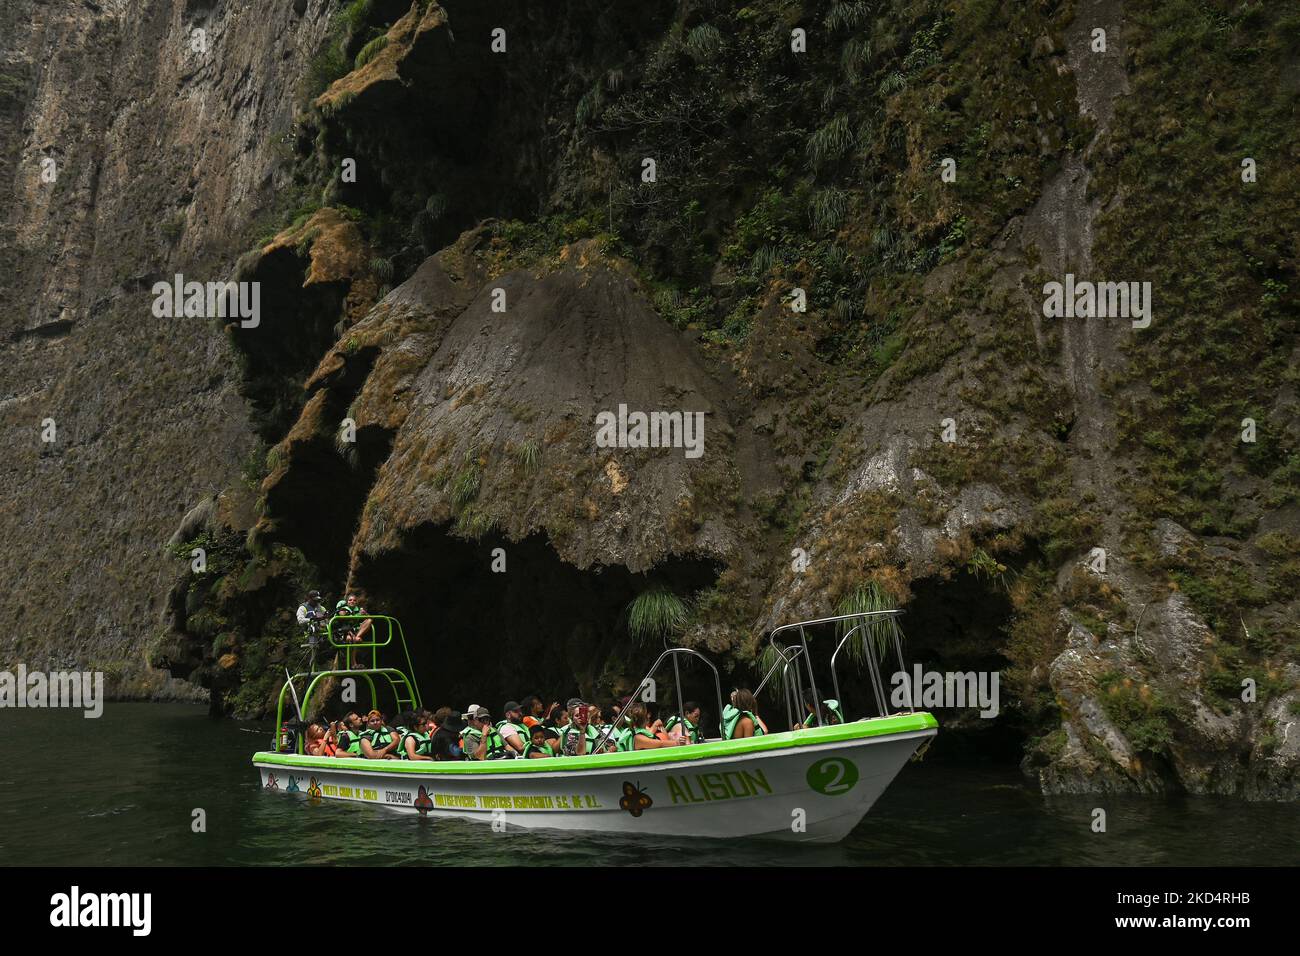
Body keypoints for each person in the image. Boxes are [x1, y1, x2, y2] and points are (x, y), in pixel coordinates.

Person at [617, 703, 688, 750]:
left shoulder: (635, 730)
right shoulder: (638, 737)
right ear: (647, 717)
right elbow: (660, 744)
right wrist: (678, 742)